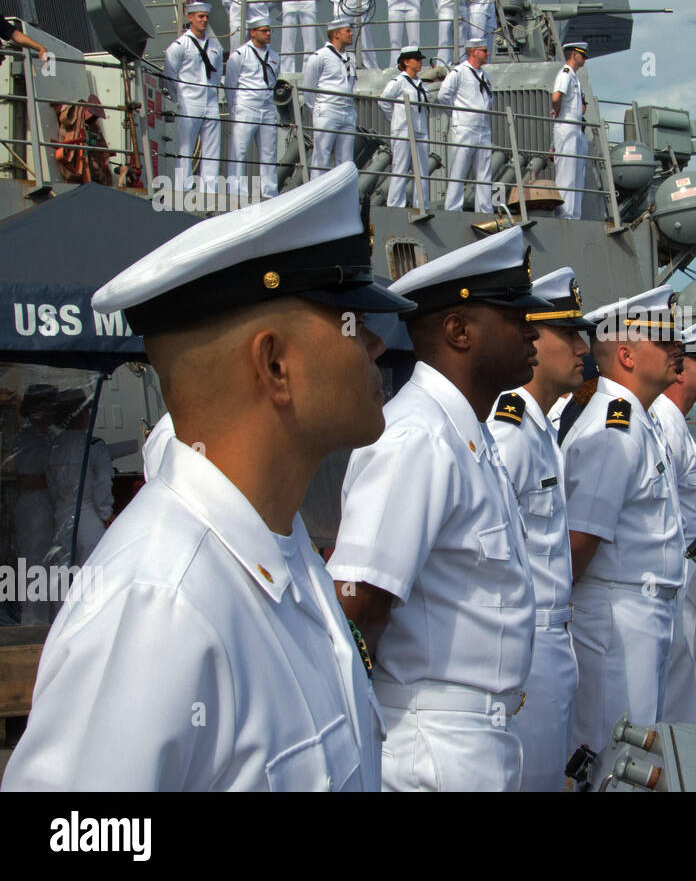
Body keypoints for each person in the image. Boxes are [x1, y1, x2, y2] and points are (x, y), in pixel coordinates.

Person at [2, 162, 414, 791]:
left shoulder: (282, 546)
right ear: (274, 364)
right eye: (350, 318)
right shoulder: (157, 605)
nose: (377, 345)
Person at [329, 226, 546, 792]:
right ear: (458, 330)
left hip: (475, 737)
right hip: (432, 748)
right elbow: (357, 603)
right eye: (515, 316)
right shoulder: (418, 438)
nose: (533, 332)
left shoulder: (466, 434)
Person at [561, 285, 685, 753]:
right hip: (617, 620)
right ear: (628, 356)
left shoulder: (638, 419)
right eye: (664, 340)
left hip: (641, 613)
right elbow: (578, 544)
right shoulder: (615, 429)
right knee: (612, 756)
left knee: (634, 752)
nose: (678, 348)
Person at [491, 267, 592, 791]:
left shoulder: (540, 428)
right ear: (531, 334)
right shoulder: (509, 432)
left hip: (553, 640)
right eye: (569, 332)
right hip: (526, 649)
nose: (583, 346)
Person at [652, 320, 696, 724]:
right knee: (673, 697)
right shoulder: (664, 423)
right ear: (681, 368)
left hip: (684, 580)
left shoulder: (672, 422)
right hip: (675, 581)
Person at [45, 389, 115, 568]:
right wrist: (106, 512)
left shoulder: (53, 447)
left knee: (63, 577)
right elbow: (102, 482)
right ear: (83, 414)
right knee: (94, 577)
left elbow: (51, 487)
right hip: (89, 520)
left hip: (61, 521)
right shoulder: (94, 445)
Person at [8, 385, 58, 623]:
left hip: (47, 505)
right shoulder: (28, 439)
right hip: (34, 507)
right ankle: (34, 621)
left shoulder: (48, 436)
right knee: (35, 564)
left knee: (49, 565)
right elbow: (26, 479)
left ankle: (47, 618)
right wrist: (61, 476)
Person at [163, 1, 223, 194]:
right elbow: (170, 75)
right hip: (190, 101)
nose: (204, 20)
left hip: (211, 100)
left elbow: (217, 73)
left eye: (206, 17)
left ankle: (210, 189)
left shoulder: (215, 46)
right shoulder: (180, 46)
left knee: (213, 148)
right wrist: (179, 98)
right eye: (200, 17)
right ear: (191, 18)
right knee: (186, 147)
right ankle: (184, 187)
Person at [225, 18, 281, 199]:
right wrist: (235, 109)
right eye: (264, 30)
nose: (268, 33)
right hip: (246, 105)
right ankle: (236, 191)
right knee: (239, 150)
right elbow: (230, 84)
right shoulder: (240, 55)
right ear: (252, 32)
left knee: (269, 152)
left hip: (267, 106)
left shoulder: (274, 56)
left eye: (269, 30)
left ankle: (269, 191)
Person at [437, 38, 494, 212]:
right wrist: (456, 114)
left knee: (484, 172)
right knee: (459, 169)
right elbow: (443, 95)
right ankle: (453, 208)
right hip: (465, 127)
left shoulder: (484, 75)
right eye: (484, 50)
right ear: (473, 52)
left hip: (483, 127)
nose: (488, 53)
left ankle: (484, 209)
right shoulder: (459, 72)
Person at [301, 18, 357, 174]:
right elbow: (308, 88)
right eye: (348, 31)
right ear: (336, 34)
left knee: (346, 160)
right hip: (328, 109)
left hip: (347, 110)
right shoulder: (320, 56)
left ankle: (341, 196)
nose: (351, 34)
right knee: (321, 156)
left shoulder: (351, 58)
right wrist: (319, 108)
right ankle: (318, 195)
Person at [378, 46, 431, 207]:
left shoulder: (421, 83)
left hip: (420, 130)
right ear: (407, 62)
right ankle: (395, 204)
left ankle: (421, 203)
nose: (420, 62)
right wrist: (395, 119)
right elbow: (384, 101)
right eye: (416, 59)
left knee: (422, 169)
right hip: (403, 130)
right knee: (400, 167)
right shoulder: (399, 82)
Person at [550, 41, 587, 220]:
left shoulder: (574, 77)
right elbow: (556, 96)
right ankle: (565, 217)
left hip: (577, 130)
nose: (585, 58)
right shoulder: (565, 73)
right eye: (583, 54)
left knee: (577, 176)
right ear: (573, 54)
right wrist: (557, 111)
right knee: (567, 176)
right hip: (566, 127)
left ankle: (575, 216)